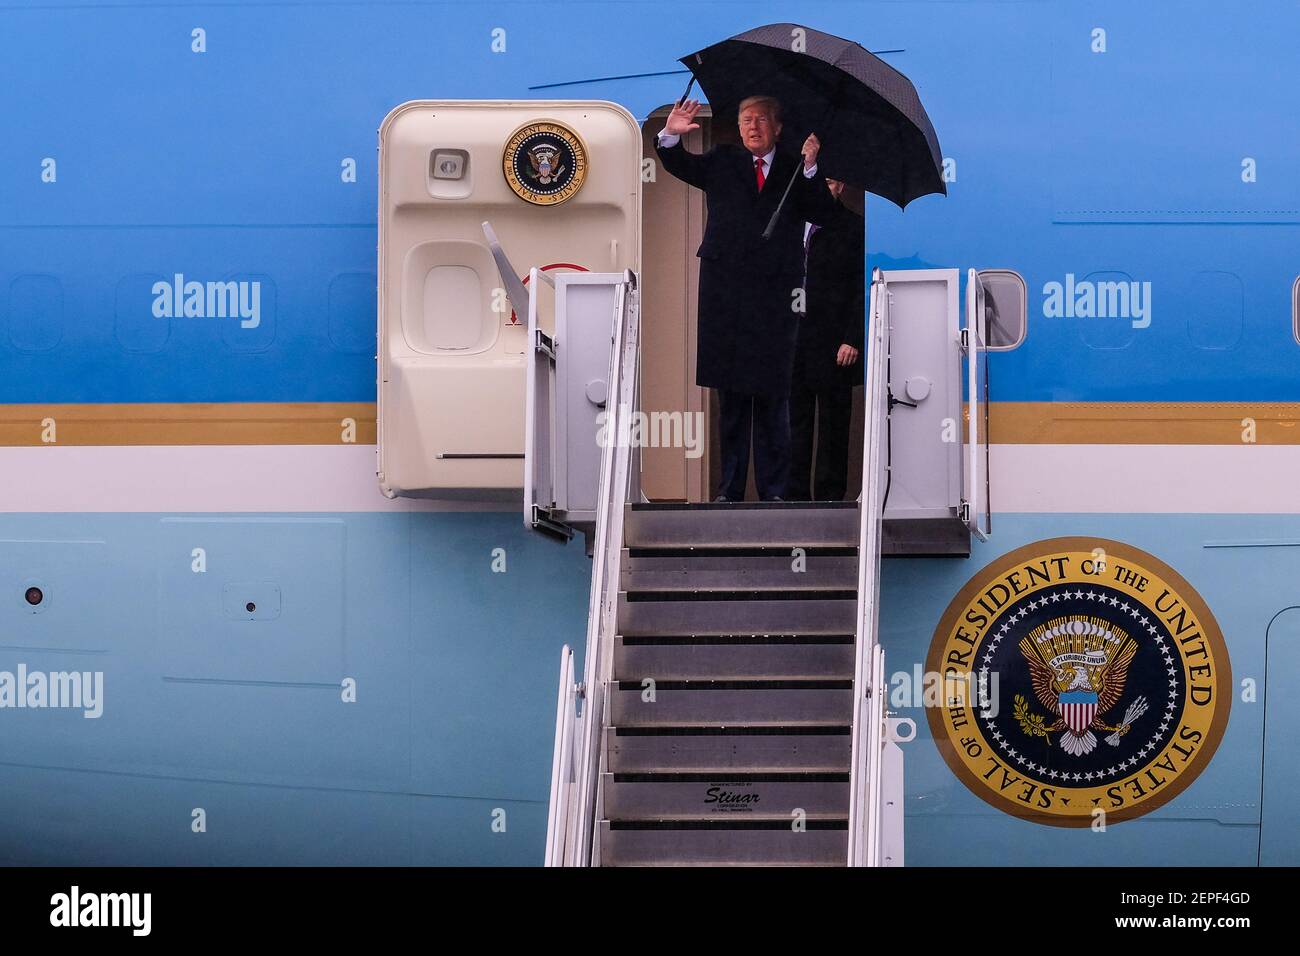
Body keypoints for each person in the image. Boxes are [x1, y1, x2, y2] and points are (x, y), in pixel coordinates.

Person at [656, 96, 839, 501]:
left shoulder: (796, 169)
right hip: (727, 295)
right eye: (745, 120)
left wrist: (810, 166)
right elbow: (678, 164)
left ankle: (774, 492)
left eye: (761, 120)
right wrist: (670, 133)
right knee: (732, 396)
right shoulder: (723, 160)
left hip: (776, 298)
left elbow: (824, 213)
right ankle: (729, 491)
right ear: (738, 129)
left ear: (777, 128)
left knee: (774, 398)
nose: (753, 126)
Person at [787, 178, 865, 502]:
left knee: (834, 423)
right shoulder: (788, 222)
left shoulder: (852, 226)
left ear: (842, 187)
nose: (825, 188)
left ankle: (831, 496)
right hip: (792, 339)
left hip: (835, 343)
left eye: (831, 183)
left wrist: (853, 337)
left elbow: (861, 286)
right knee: (792, 422)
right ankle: (793, 497)